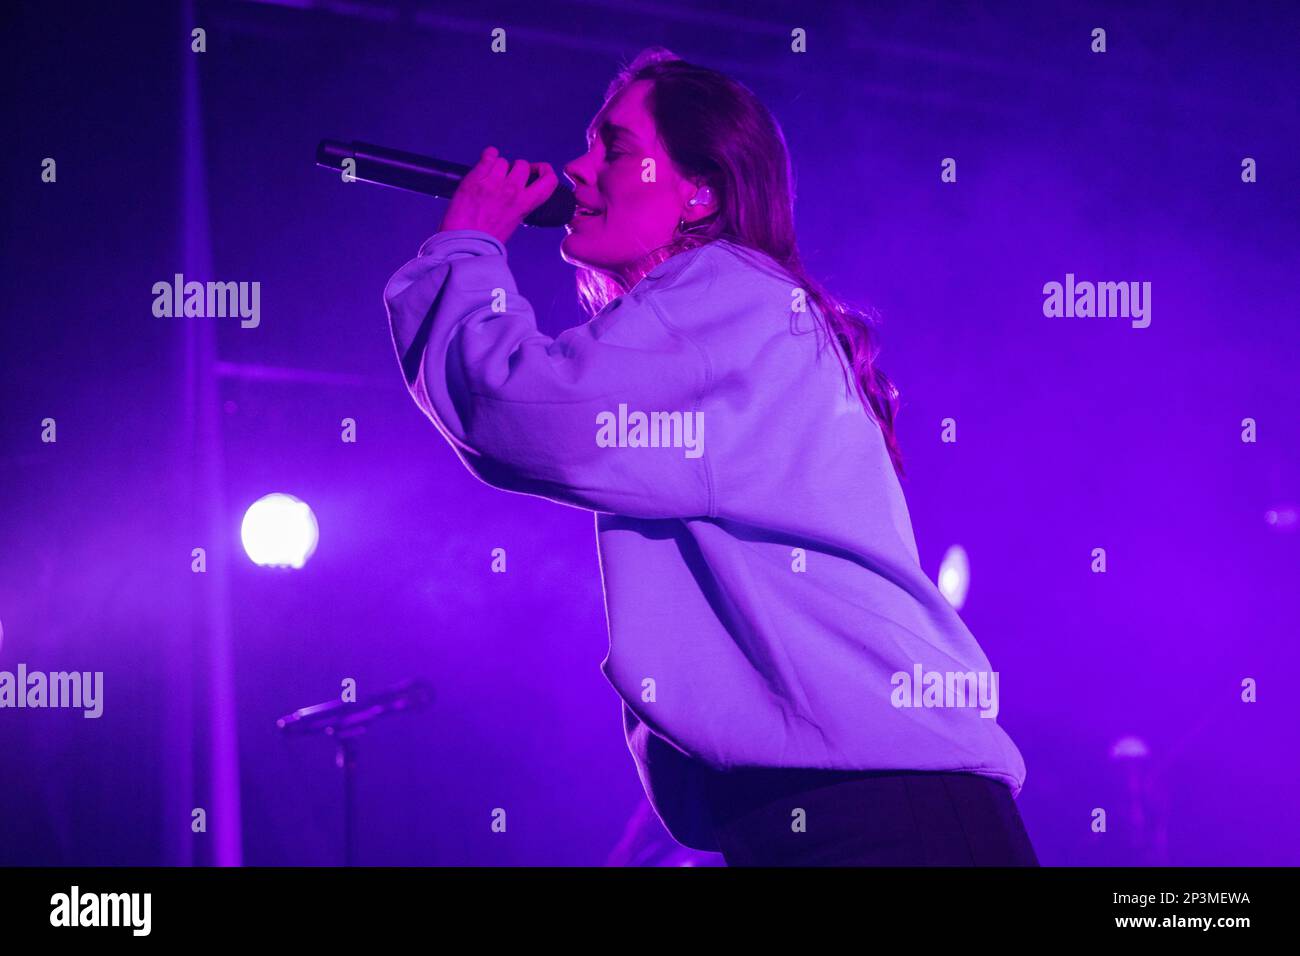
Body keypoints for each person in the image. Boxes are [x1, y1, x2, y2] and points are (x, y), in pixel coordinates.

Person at [383, 47, 1037, 866]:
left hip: (879, 812)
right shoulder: (741, 312)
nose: (578, 170)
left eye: (614, 148)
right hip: (854, 809)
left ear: (702, 188)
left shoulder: (726, 293)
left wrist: (467, 247)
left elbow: (516, 409)